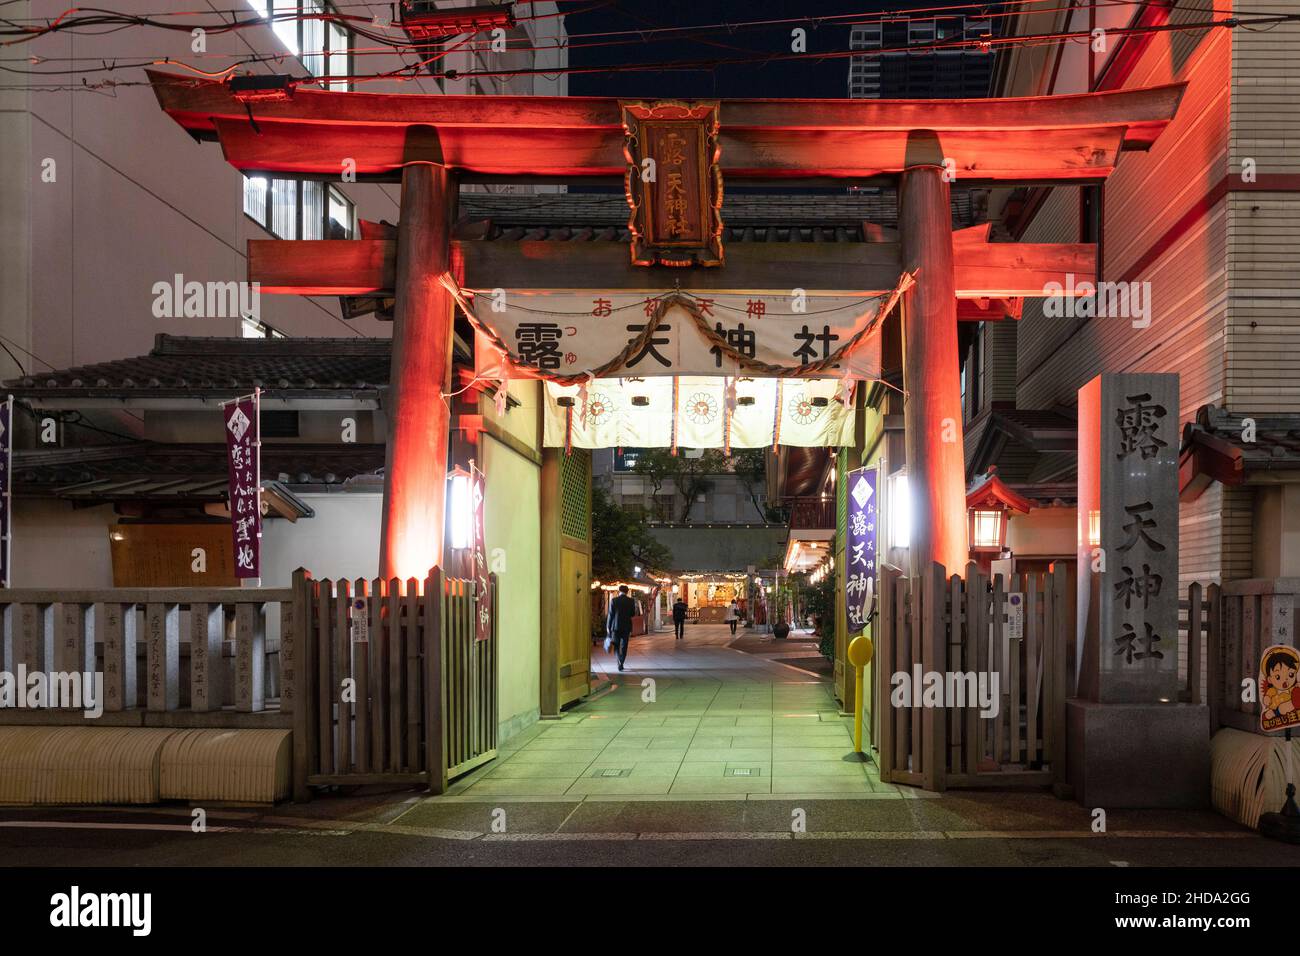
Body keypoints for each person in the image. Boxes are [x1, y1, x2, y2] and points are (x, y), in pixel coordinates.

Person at [606, 584, 638, 671]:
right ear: (627, 592)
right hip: (626, 626)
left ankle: (618, 660)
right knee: (624, 645)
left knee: (616, 645)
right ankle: (621, 661)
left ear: (619, 591)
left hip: (615, 627)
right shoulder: (631, 601)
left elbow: (610, 614)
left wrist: (608, 627)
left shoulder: (614, 600)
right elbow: (632, 614)